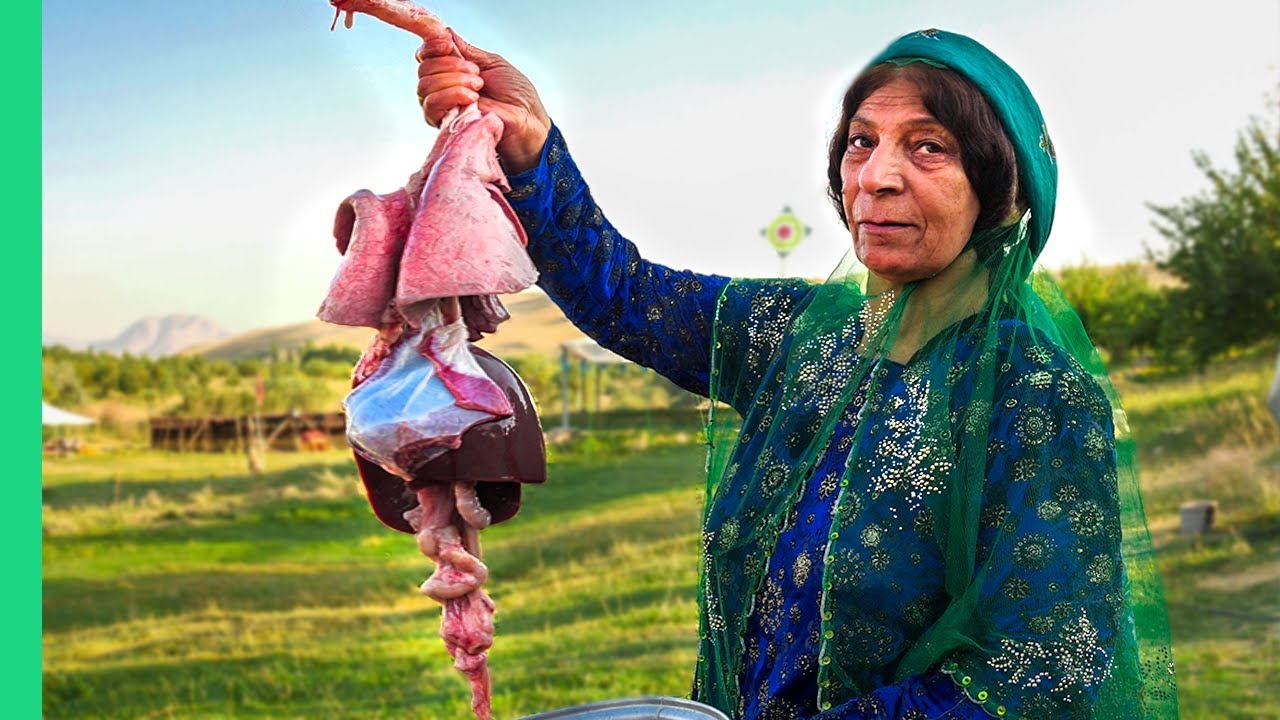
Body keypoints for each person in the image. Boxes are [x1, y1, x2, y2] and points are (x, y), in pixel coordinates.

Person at [415, 28, 1178, 720]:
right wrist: (530, 144)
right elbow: (625, 294)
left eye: (927, 146)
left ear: (1000, 189)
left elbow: (1044, 662)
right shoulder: (794, 336)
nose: (875, 177)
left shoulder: (1032, 391)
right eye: (859, 142)